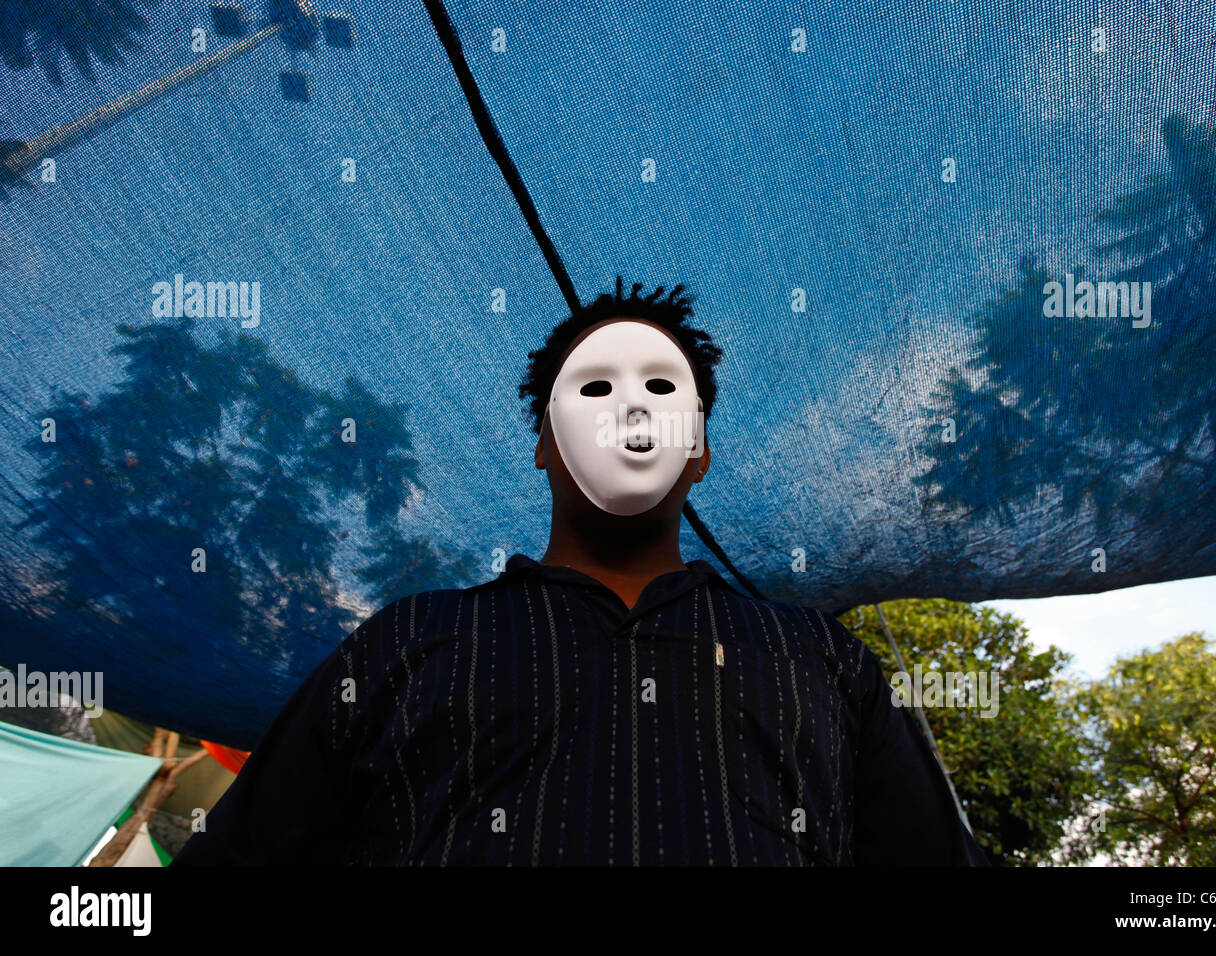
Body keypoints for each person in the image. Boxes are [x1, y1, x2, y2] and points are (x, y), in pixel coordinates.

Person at [171, 277, 989, 866]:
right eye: (594, 386)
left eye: (661, 389)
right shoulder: (406, 643)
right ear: (545, 446)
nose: (631, 407)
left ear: (698, 451)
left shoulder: (824, 662)